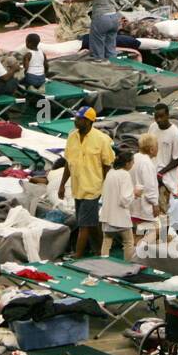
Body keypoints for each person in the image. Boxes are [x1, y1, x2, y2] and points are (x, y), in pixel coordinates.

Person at [58, 107, 115, 257]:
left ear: (89, 121)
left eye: (79, 119)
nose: (76, 121)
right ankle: (101, 250)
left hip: (92, 188)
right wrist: (62, 185)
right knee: (91, 223)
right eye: (76, 118)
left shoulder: (101, 140)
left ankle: (78, 254)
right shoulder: (72, 137)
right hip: (77, 187)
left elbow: (107, 165)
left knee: (83, 224)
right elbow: (68, 163)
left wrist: (106, 188)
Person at [98, 151, 137, 259]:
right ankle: (128, 266)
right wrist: (135, 194)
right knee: (128, 242)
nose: (133, 164)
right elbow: (124, 199)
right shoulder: (125, 175)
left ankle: (103, 264)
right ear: (127, 163)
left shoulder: (110, 172)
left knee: (106, 242)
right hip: (120, 216)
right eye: (132, 161)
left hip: (107, 214)